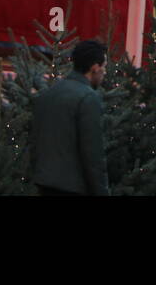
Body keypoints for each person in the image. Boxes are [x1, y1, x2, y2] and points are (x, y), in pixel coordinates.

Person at [30, 39, 109, 196]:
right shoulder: (88, 98)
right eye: (104, 67)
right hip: (73, 188)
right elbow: (92, 154)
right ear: (94, 68)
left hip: (44, 184)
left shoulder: (49, 93)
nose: (105, 72)